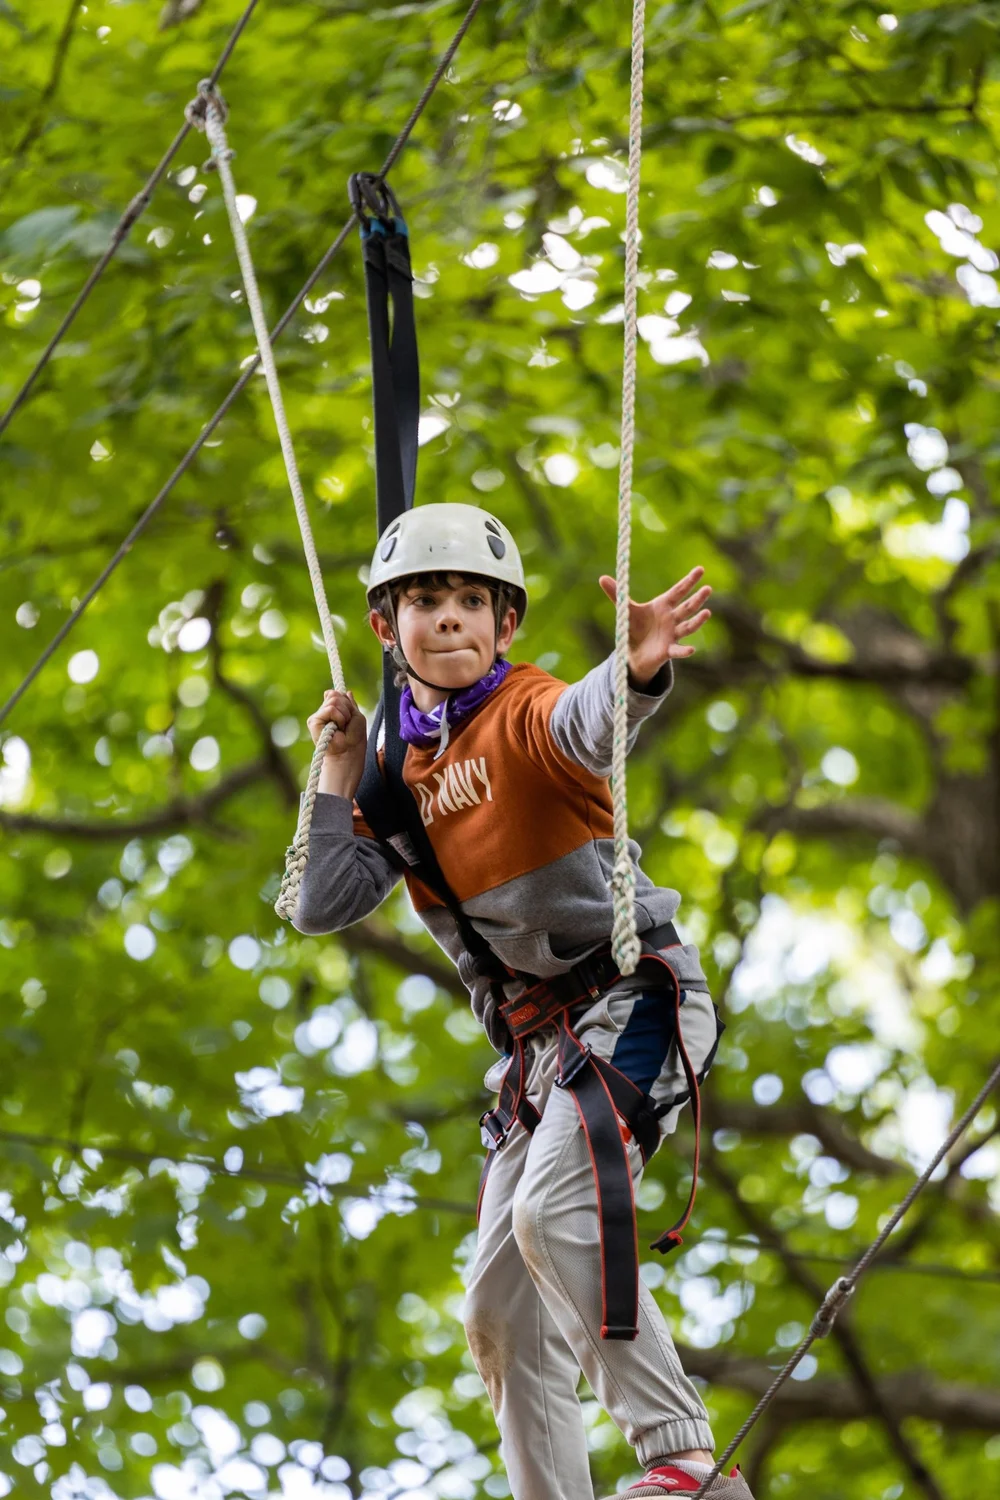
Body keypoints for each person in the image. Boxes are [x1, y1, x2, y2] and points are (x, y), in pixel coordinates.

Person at [293, 503, 752, 1500]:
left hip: (628, 1001)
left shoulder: (528, 714)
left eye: (471, 602)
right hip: (535, 1055)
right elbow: (320, 902)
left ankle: (679, 1457)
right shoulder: (393, 776)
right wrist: (335, 771)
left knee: (555, 1209)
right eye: (424, 601)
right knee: (496, 1310)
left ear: (507, 628)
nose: (448, 619)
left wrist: (635, 666)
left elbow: (589, 720)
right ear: (385, 627)